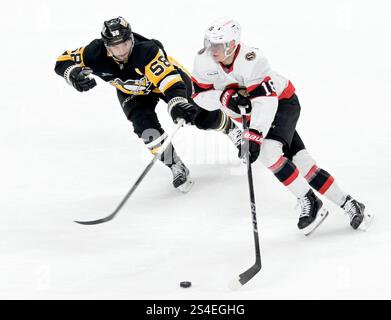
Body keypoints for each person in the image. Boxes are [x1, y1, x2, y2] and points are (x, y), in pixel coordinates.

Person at [191, 17, 373, 234]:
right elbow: (199, 95)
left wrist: (254, 135)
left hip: (281, 105)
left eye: (217, 44)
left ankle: (309, 201)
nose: (211, 49)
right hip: (252, 115)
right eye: (209, 42)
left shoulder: (253, 60)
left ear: (232, 44)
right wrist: (223, 97)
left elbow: (266, 103)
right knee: (302, 163)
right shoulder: (203, 60)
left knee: (268, 152)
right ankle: (350, 204)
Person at [54, 16, 242, 193]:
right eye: (114, 46)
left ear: (131, 39)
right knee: (145, 129)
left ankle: (231, 129)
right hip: (132, 92)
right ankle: (174, 164)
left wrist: (176, 101)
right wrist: (71, 73)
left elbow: (168, 79)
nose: (121, 51)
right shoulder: (94, 52)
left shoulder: (147, 50)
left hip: (167, 81)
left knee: (199, 115)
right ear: (105, 45)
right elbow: (63, 61)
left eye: (125, 44)